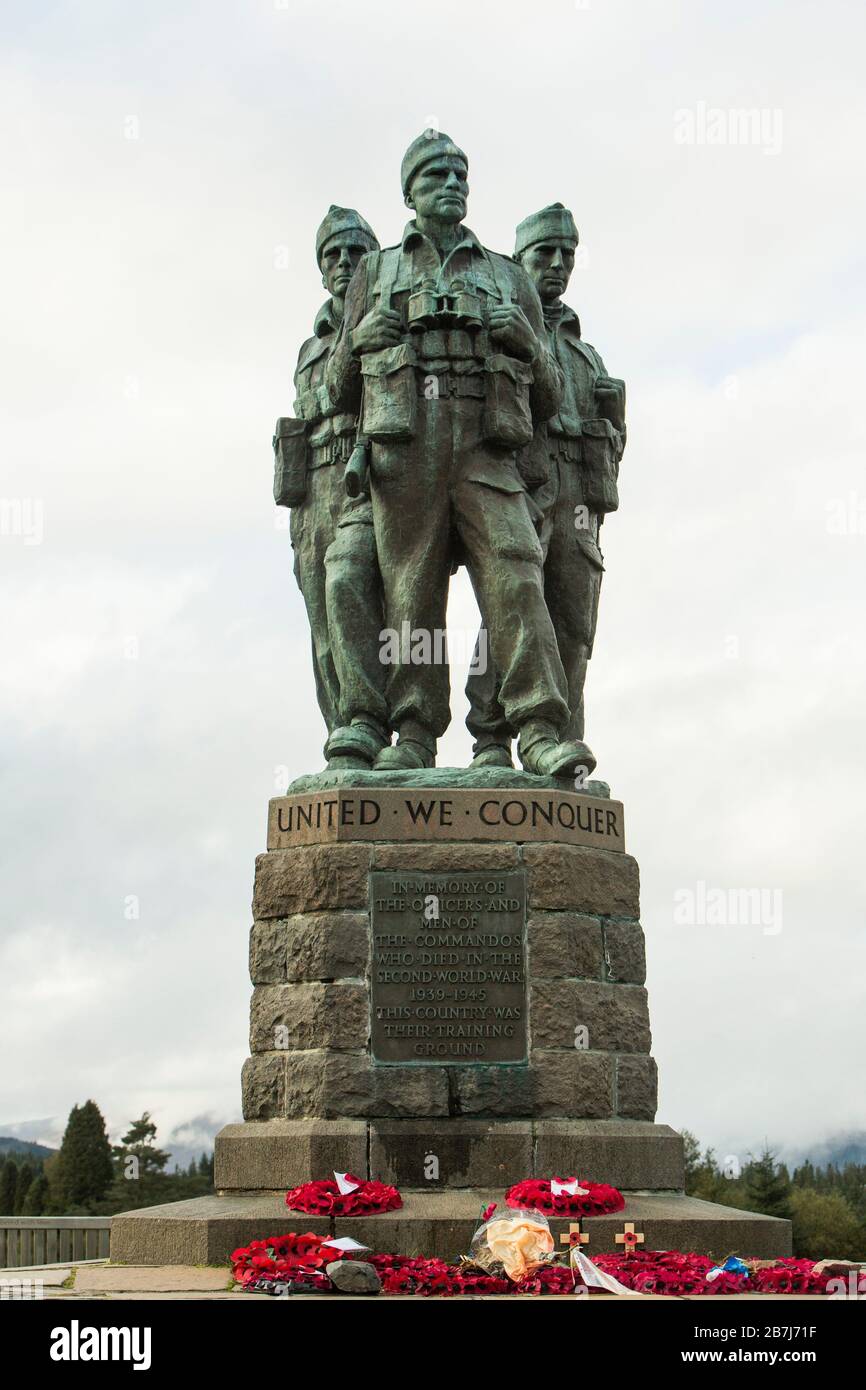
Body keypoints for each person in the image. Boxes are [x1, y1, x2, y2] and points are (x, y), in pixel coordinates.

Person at [326, 134, 596, 778]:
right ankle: (414, 731)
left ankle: (536, 728)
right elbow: (338, 391)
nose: (451, 183)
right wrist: (359, 340)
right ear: (409, 192)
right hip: (406, 446)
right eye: (435, 174)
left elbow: (553, 396)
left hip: (484, 446)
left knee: (516, 573)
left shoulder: (505, 274)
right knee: (410, 596)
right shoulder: (377, 272)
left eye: (459, 173)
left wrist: (528, 343)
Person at [465, 203, 626, 766]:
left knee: (574, 629)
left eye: (567, 255)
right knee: (510, 608)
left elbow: (616, 442)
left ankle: (561, 741)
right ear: (520, 260)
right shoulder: (501, 328)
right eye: (544, 254)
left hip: (579, 499)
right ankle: (491, 736)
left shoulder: (587, 356)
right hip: (522, 487)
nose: (557, 264)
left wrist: (608, 426)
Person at [276, 206, 391, 768]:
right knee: (322, 624)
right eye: (332, 255)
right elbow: (310, 407)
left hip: (368, 476)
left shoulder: (387, 316)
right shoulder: (311, 345)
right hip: (312, 489)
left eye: (355, 252)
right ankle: (344, 736)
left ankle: (378, 724)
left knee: (362, 595)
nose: (344, 263)